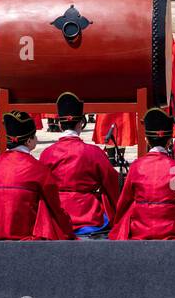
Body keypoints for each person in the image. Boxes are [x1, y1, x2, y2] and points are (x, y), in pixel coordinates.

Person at [109, 109, 175, 240]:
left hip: (140, 230)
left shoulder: (137, 167)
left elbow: (124, 203)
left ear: (147, 140)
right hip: (171, 230)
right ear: (169, 141)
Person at [0, 110, 75, 241]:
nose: (37, 139)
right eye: (35, 136)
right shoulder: (39, 168)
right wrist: (67, 229)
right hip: (24, 234)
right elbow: (55, 207)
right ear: (29, 141)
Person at [39, 92, 121, 235]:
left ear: (59, 123)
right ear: (81, 124)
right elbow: (111, 181)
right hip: (88, 214)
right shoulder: (94, 152)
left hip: (56, 214)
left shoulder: (47, 153)